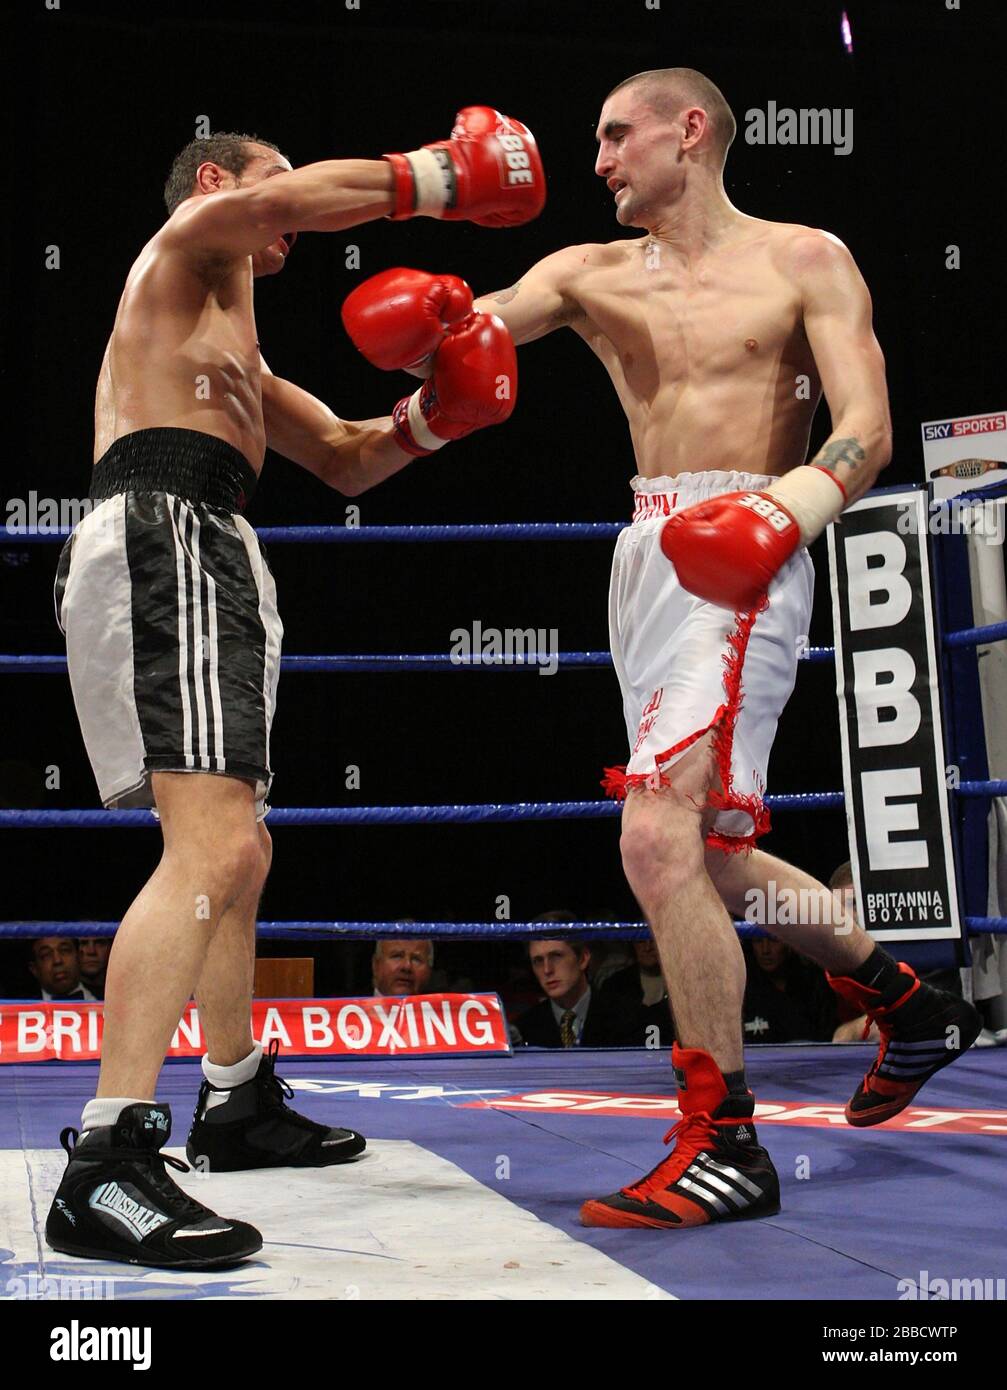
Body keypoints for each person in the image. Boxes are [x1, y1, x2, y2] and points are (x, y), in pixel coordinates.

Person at [343, 67, 980, 1230]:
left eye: (612, 135)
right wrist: (427, 319)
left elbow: (865, 430)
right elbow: (452, 345)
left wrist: (782, 512)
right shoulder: (584, 272)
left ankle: (720, 1139)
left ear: (688, 133)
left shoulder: (803, 257)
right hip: (644, 558)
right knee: (709, 859)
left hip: (747, 540)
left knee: (651, 833)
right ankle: (908, 996)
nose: (593, 159)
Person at [47, 114, 545, 1270]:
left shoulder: (237, 352)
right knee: (211, 850)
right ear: (222, 182)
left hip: (209, 539)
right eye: (275, 182)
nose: (290, 215)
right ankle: (109, 1159)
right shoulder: (189, 239)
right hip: (168, 532)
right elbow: (288, 203)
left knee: (241, 850)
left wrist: (440, 411)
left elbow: (348, 455)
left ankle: (234, 1100)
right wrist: (435, 177)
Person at [515, 937, 614, 1046]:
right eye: (538, 961)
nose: (547, 970)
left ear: (583, 959)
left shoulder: (625, 1017)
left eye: (556, 957)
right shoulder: (523, 1028)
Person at [742, 938, 838, 1044]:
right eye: (758, 940)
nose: (765, 950)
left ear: (789, 943)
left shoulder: (815, 983)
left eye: (774, 939)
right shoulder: (741, 987)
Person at [599, 937, 675, 1047]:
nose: (648, 947)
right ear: (633, 945)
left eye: (653, 940)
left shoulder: (680, 985)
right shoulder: (615, 985)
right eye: (641, 940)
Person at [27, 937, 99, 1002]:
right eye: (46, 954)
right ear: (34, 969)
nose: (57, 960)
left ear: (79, 956)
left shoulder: (106, 998)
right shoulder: (22, 1009)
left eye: (65, 950)